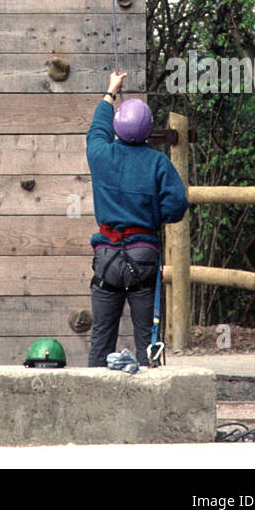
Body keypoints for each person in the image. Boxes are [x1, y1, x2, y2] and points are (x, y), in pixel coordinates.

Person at [86, 72, 188, 367]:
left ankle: (94, 404)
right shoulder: (158, 162)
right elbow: (177, 205)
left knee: (102, 339)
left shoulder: (100, 154)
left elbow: (96, 129)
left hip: (107, 257)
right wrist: (153, 217)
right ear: (148, 131)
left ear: (117, 127)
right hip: (144, 256)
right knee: (149, 339)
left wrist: (110, 92)